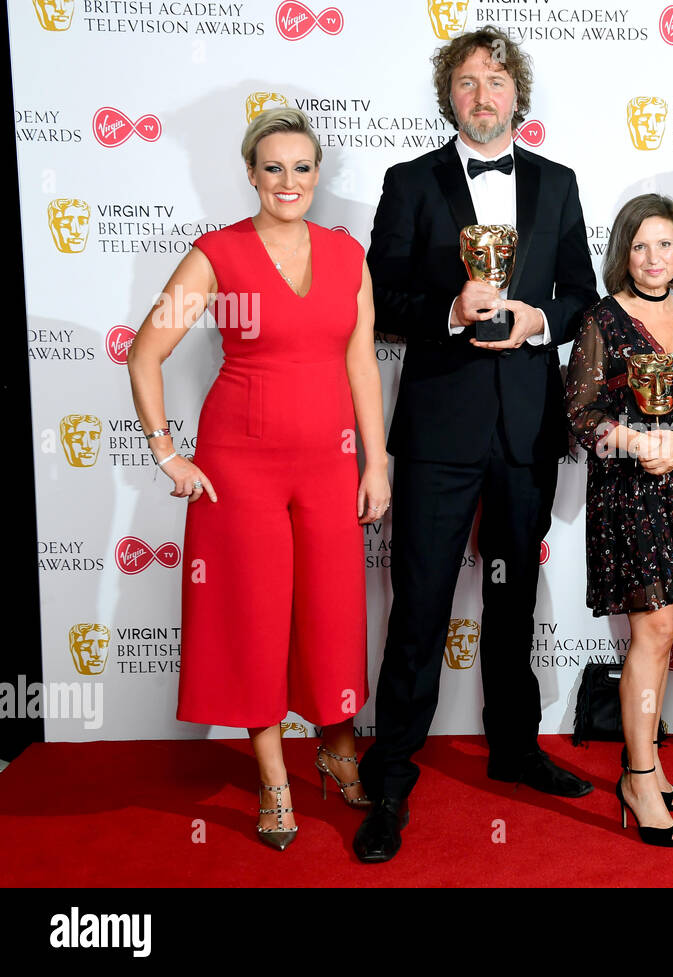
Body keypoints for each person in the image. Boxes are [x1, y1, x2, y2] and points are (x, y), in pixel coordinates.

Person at [355, 25, 599, 863]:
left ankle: (517, 747)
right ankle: (389, 774)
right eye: (466, 82)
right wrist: (448, 312)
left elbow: (584, 300)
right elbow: (381, 297)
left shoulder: (558, 183)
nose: (482, 94)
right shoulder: (410, 181)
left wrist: (538, 321)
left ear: (517, 95)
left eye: (495, 80)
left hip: (526, 427)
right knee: (418, 606)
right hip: (436, 432)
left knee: (513, 597)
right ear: (448, 97)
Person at [126, 107, 389, 850]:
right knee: (256, 616)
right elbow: (145, 353)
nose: (288, 181)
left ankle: (337, 752)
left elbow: (361, 362)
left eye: (301, 167)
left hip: (332, 463)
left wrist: (378, 460)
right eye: (272, 167)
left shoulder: (347, 254)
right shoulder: (217, 254)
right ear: (250, 173)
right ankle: (275, 779)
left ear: (317, 174)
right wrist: (167, 452)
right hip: (238, 468)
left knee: (333, 610)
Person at [566, 194, 673, 847]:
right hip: (627, 494)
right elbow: (580, 415)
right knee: (653, 629)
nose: (653, 258)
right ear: (624, 253)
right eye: (640, 245)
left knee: (661, 637)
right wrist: (640, 443)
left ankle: (650, 760)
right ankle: (636, 774)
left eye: (665, 244)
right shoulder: (601, 322)